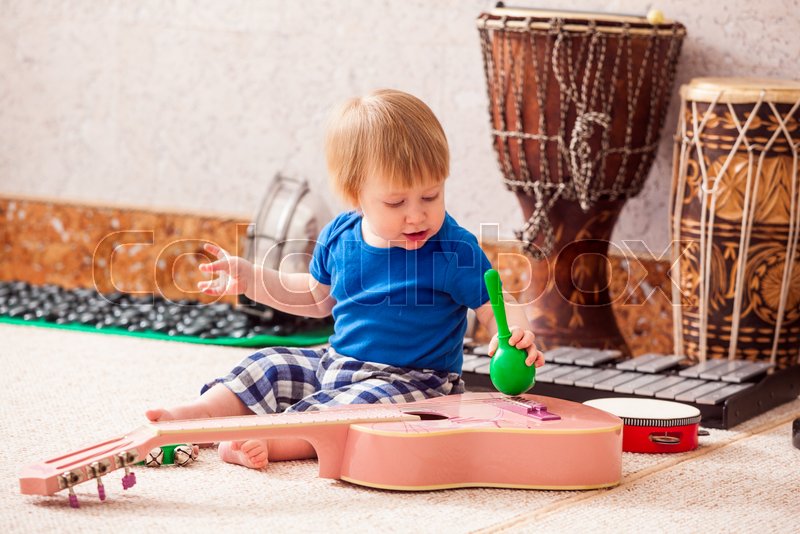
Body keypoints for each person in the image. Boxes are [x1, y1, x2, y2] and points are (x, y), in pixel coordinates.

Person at [146, 89, 545, 469]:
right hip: (335, 363)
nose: (416, 215)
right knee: (265, 364)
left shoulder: (452, 249)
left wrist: (511, 335)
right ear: (357, 195)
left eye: (431, 196)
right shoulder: (340, 235)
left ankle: (275, 440)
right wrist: (251, 279)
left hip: (416, 385)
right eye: (395, 202)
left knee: (354, 411)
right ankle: (197, 417)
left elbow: (497, 306)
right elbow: (315, 298)